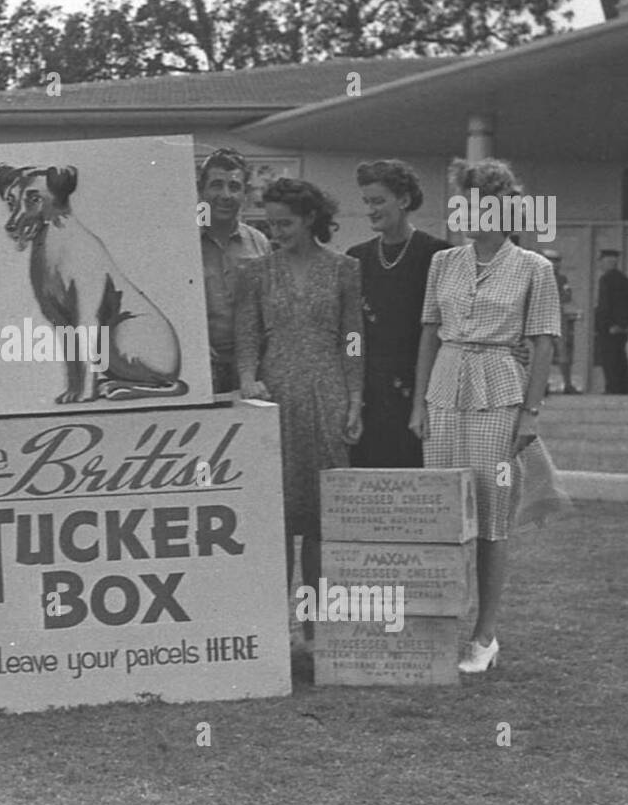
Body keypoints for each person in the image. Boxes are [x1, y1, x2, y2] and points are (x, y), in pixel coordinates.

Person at [410, 158, 560, 674]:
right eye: (465, 203)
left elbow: (543, 344)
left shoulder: (534, 269)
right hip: (444, 389)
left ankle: (485, 635)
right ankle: (437, 629)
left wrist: (530, 413)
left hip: (500, 390)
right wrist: (417, 405)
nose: (472, 213)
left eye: (483, 203)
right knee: (443, 512)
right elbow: (429, 332)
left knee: (493, 514)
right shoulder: (443, 263)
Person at [236, 177, 363, 639]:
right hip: (276, 397)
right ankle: (273, 631)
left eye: (285, 223)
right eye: (269, 224)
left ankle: (314, 628)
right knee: (276, 517)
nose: (276, 232)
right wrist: (249, 380)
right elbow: (247, 338)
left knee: (319, 519)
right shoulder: (255, 272)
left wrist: (354, 399)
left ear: (311, 218)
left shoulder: (344, 269)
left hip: (327, 394)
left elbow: (352, 340)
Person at [347, 159, 451, 467]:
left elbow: (443, 331)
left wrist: (423, 402)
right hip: (369, 394)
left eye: (378, 201)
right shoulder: (356, 258)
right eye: (366, 202)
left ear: (404, 200)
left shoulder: (437, 254)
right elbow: (352, 334)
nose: (370, 210)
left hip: (420, 392)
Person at [197, 148, 270, 394]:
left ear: (245, 194)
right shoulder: (180, 242)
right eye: (216, 185)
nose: (225, 195)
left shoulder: (259, 243)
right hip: (199, 367)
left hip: (250, 370)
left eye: (234, 186)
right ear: (201, 190)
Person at [595, 248, 628, 394]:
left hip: (610, 327)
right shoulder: (627, 281)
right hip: (624, 327)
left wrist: (607, 324)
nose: (600, 265)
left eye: (602, 262)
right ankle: (626, 388)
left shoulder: (605, 280)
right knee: (621, 357)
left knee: (610, 359)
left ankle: (613, 388)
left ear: (607, 262)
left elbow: (605, 304)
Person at [541, 249, 581, 394]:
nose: (555, 265)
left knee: (563, 351)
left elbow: (567, 296)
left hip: (558, 317)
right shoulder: (537, 278)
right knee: (543, 353)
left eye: (557, 262)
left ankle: (567, 383)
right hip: (540, 319)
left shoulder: (561, 279)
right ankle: (542, 385)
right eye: (552, 262)